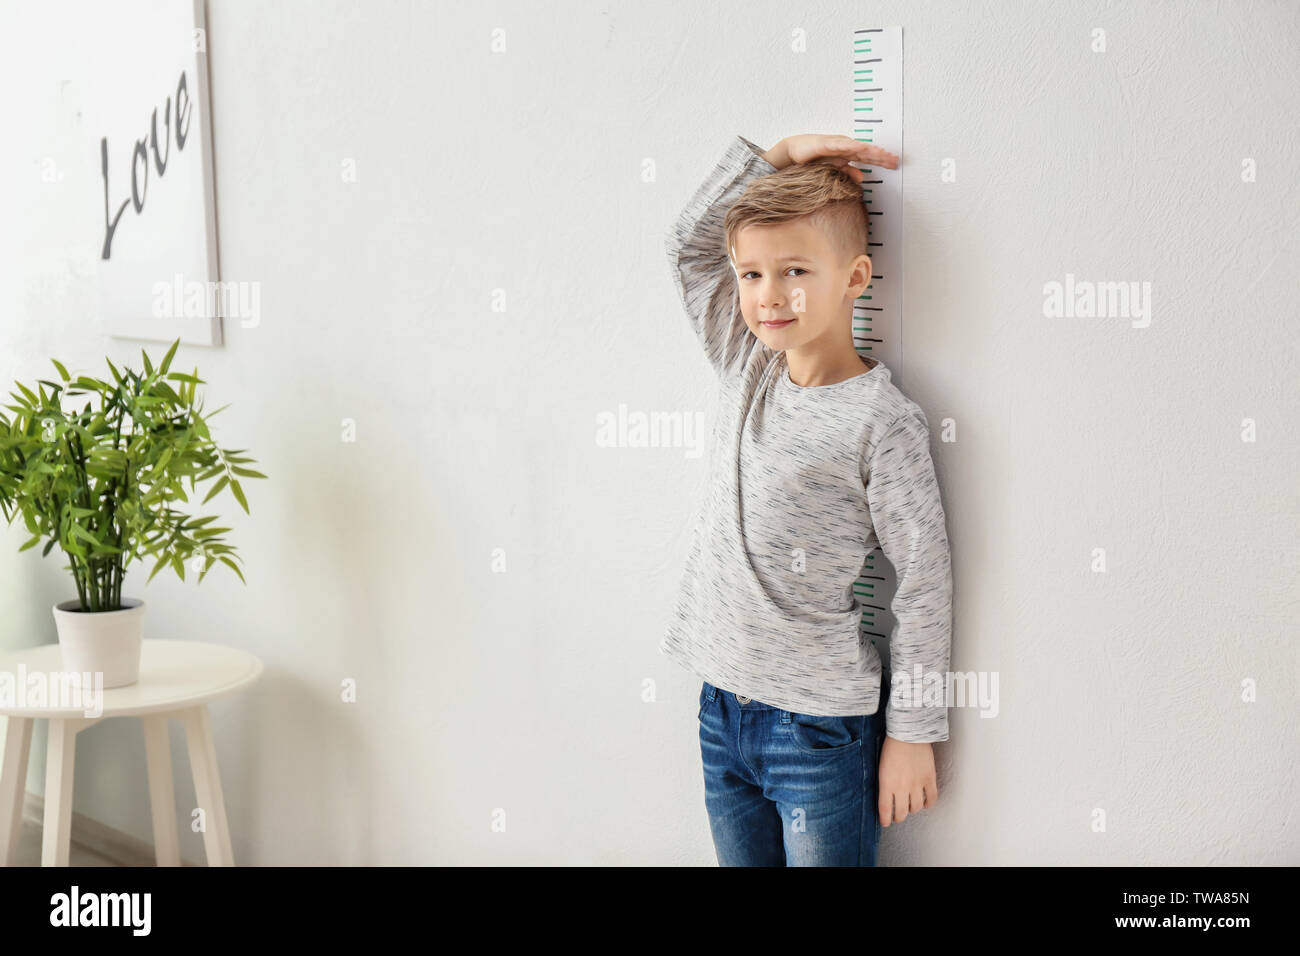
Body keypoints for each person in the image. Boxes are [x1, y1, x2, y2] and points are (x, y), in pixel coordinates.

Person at [659, 133, 953, 866]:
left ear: (855, 276)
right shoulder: (744, 361)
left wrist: (914, 731)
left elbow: (923, 580)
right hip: (719, 709)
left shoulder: (880, 421)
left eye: (795, 270)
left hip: (817, 731)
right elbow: (686, 247)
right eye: (752, 274)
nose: (768, 295)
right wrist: (778, 153)